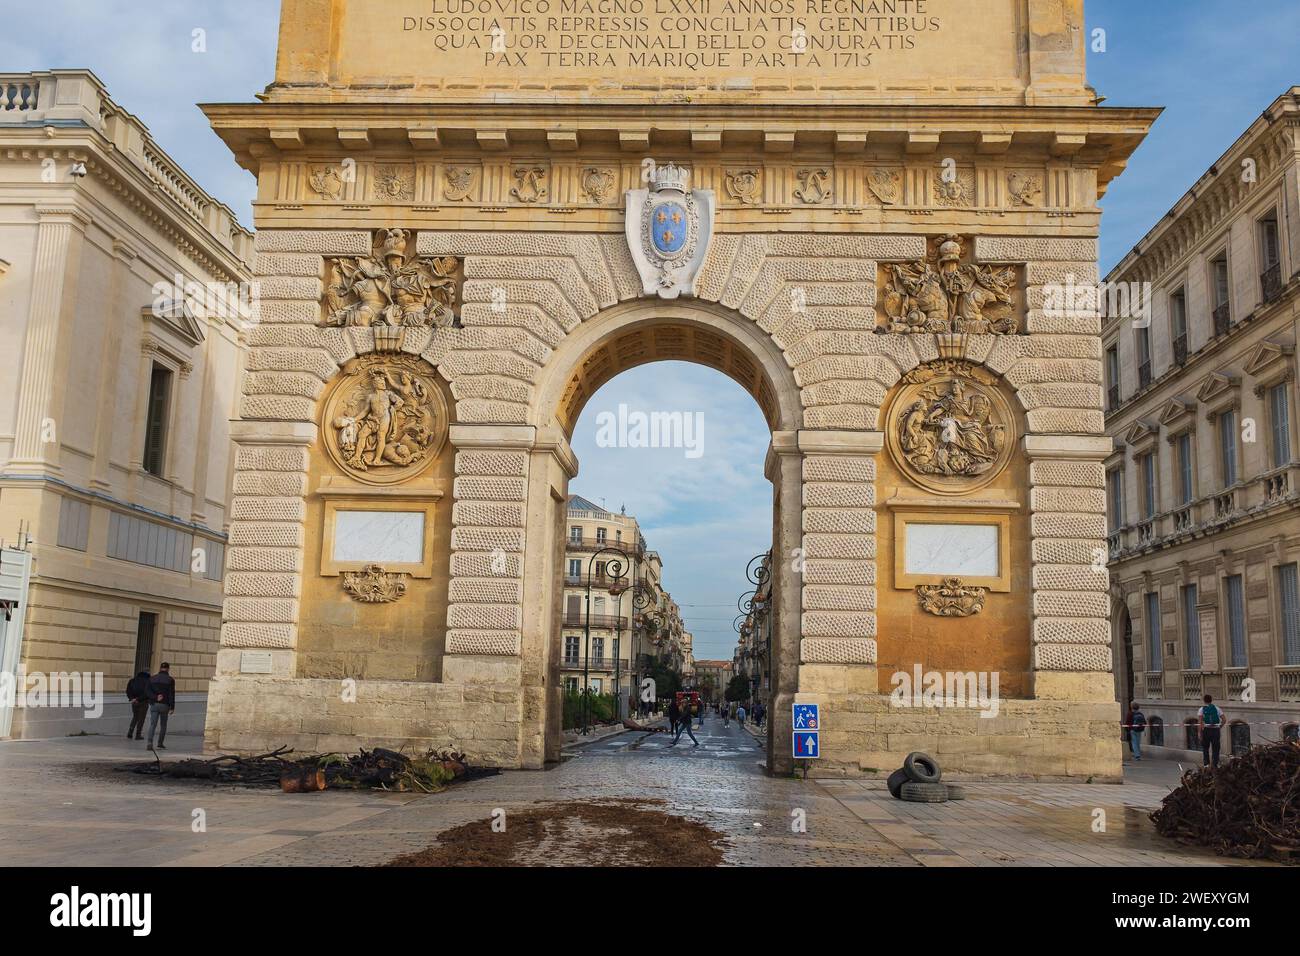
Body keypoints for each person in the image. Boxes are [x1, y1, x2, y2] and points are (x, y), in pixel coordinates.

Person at [145, 662, 176, 751]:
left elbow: (147, 691)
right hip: (165, 705)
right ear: (168, 669)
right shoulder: (170, 680)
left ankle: (149, 742)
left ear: (160, 668)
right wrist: (172, 707)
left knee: (152, 724)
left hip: (154, 704)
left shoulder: (152, 678)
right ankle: (160, 743)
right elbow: (171, 694)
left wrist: (155, 697)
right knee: (163, 725)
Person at [1198, 694, 1224, 769]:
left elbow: (1200, 722)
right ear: (1211, 700)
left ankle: (1206, 765)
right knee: (1216, 748)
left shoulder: (1201, 709)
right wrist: (1219, 727)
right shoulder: (1217, 708)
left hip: (1206, 730)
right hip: (1215, 730)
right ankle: (1215, 764)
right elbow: (1224, 720)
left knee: (1205, 748)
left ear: (1204, 700)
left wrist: (1199, 733)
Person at [125, 670, 150, 741]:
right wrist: (138, 699)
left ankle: (130, 731)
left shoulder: (132, 680)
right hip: (143, 702)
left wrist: (132, 698)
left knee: (135, 717)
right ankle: (138, 734)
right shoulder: (148, 681)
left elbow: (128, 691)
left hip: (134, 702)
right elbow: (147, 693)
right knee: (141, 719)